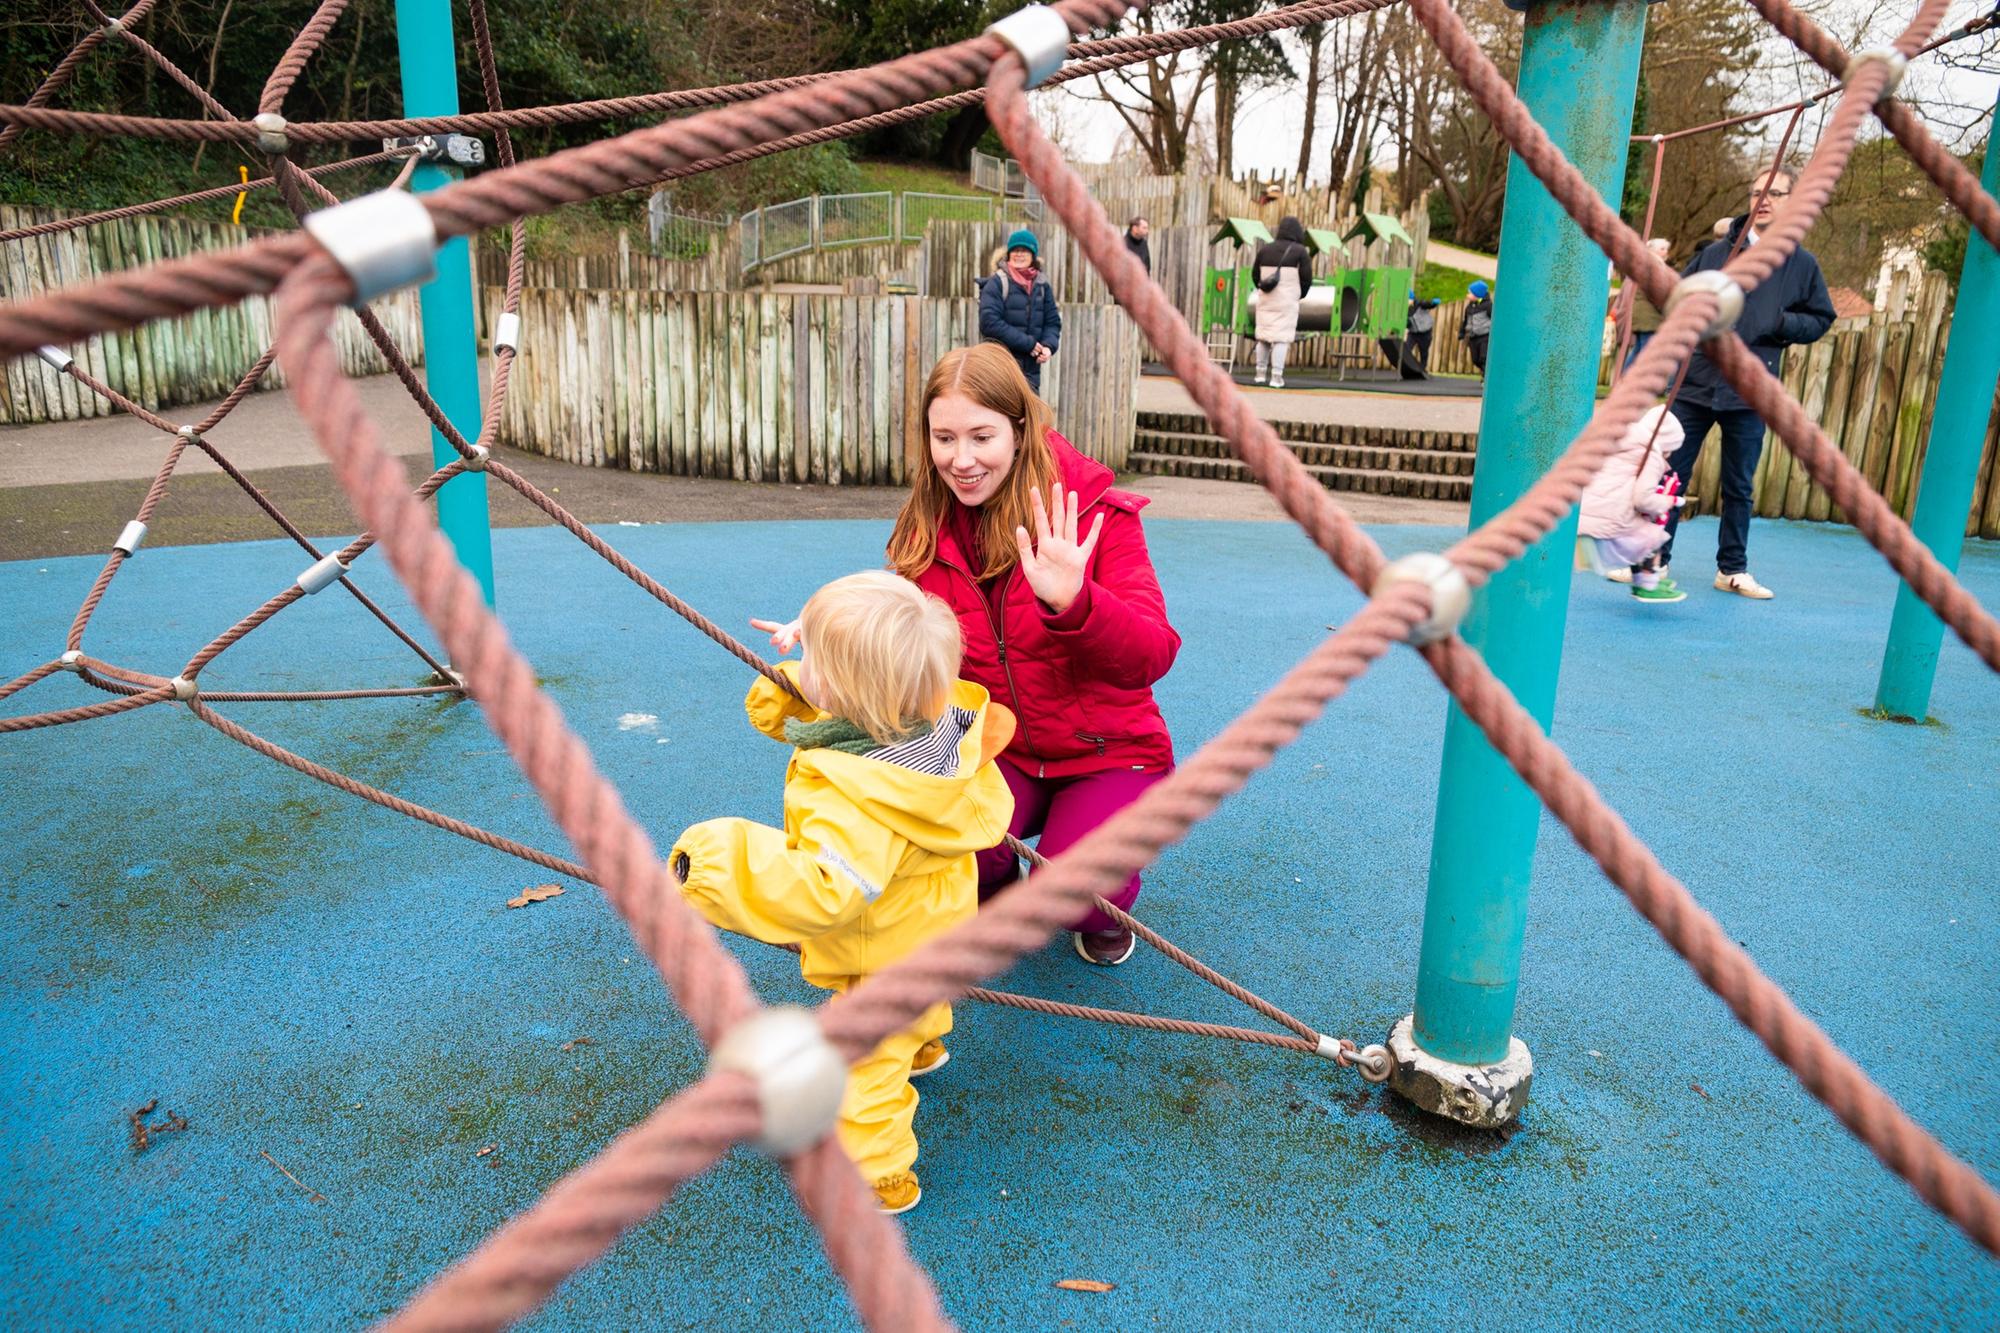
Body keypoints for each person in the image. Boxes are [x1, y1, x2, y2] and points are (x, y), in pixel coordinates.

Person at [674, 570, 1016, 1217]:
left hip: (886, 951)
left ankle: (881, 1176)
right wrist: (820, 656)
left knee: (863, 1066)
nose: (801, 667)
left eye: (813, 662)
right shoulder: (936, 724)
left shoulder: (857, 797)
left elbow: (826, 890)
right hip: (940, 922)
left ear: (847, 696)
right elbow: (841, 700)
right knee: (921, 1000)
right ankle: (923, 1040)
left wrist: (720, 864)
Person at [889, 343, 1179, 965]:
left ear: (1021, 431)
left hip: (1108, 752)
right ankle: (989, 891)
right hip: (1002, 746)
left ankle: (1101, 901)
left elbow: (1154, 653)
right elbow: (899, 632)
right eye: (944, 438)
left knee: (1071, 895)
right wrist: (834, 631)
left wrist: (1076, 601)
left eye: (981, 437)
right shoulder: (924, 525)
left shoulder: (1098, 513)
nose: (960, 460)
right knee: (947, 848)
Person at [1661, 165, 1835, 599]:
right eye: (1758, 192)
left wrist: (1778, 322)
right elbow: (1678, 296)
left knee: (1739, 484)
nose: (1766, 200)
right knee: (1670, 475)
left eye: (1776, 192)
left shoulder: (1801, 265)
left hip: (1750, 388)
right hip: (1697, 381)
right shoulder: (1717, 253)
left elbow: (1820, 319)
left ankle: (1731, 568)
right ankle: (1653, 560)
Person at [1580, 404, 1688, 603]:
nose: (1669, 455)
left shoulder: (1621, 441)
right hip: (1609, 520)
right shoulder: (1651, 457)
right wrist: (1668, 501)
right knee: (1653, 535)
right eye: (1670, 450)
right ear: (1663, 444)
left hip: (1585, 512)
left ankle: (1645, 578)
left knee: (1639, 530)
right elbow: (1643, 500)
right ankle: (1647, 584)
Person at [978, 228, 1062, 393]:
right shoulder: (997, 283)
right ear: (1008, 254)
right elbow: (989, 323)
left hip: (1031, 374)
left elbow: (1052, 322)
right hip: (1000, 371)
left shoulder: (1042, 286)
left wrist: (1048, 346)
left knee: (1030, 418)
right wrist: (1029, 344)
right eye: (1015, 250)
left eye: (1024, 250)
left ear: (1033, 256)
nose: (1019, 254)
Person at [1251, 215, 1314, 388]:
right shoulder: (1300, 252)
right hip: (1287, 301)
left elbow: (1255, 275)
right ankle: (1276, 377)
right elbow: (1307, 278)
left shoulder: (1265, 250)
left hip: (1266, 300)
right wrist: (1299, 294)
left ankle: (1260, 374)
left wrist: (1263, 288)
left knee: (1263, 336)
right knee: (1281, 338)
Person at [1621, 237, 1673, 368]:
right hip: (1650, 317)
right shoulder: (1654, 267)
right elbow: (1655, 293)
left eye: (1666, 249)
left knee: (1638, 351)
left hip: (1643, 315)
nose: (1666, 252)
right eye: (1662, 249)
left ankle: (1624, 380)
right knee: (1647, 353)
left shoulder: (1644, 265)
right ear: (1653, 251)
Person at [1461, 280, 1493, 376]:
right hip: (1473, 337)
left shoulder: (1488, 305)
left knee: (1483, 357)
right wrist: (1462, 333)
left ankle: (1486, 377)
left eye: (1470, 293)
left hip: (1484, 336)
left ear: (1477, 294)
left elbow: (1494, 319)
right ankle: (1484, 373)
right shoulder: (1470, 307)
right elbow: (1466, 321)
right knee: (1475, 359)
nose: (1468, 295)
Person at [1406, 292, 1440, 370]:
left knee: (1423, 351)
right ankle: (1410, 365)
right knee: (1407, 349)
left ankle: (1423, 367)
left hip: (1425, 332)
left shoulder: (1419, 304)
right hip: (1413, 333)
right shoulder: (1404, 309)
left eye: (1407, 300)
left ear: (1412, 299)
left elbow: (1427, 304)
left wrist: (1433, 303)